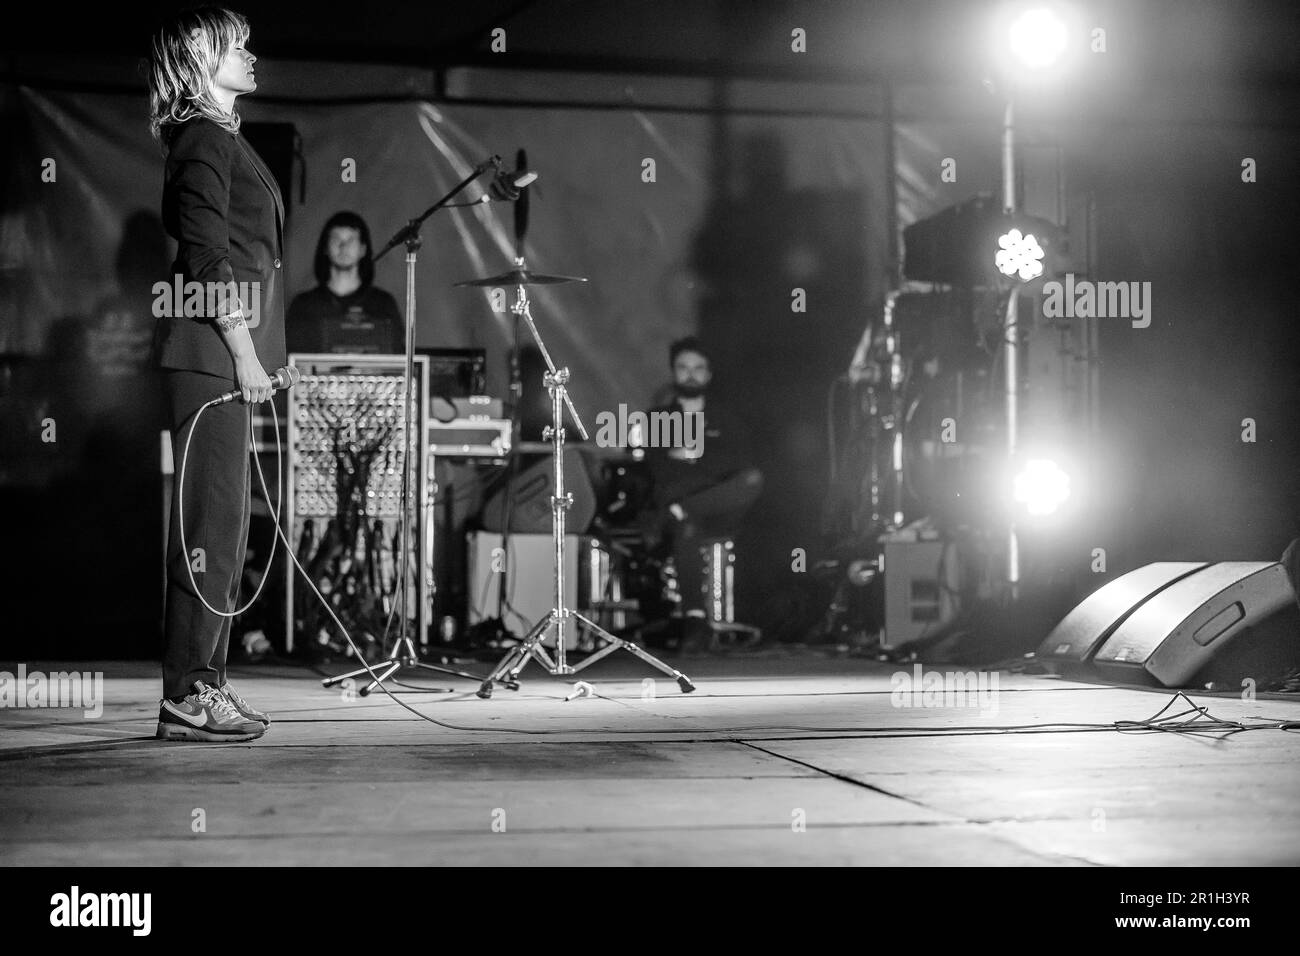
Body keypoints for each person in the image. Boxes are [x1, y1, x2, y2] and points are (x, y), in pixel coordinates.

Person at [148, 6, 282, 741]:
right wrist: (244, 352)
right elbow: (205, 260)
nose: (252, 55)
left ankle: (207, 684)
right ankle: (189, 692)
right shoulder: (202, 138)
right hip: (208, 357)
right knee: (209, 523)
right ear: (201, 55)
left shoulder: (220, 138)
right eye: (239, 47)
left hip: (219, 357)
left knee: (225, 528)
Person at [641, 337, 763, 631]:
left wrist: (691, 459)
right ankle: (695, 619)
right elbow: (658, 468)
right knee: (687, 523)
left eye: (698, 367)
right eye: (683, 367)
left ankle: (681, 510)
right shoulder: (657, 419)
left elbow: (738, 464)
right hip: (680, 501)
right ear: (673, 372)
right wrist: (699, 463)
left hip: (719, 506)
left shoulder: (727, 418)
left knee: (752, 480)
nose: (691, 374)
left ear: (708, 374)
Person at [286, 212, 403, 355]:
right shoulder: (304, 305)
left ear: (363, 249)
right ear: (325, 248)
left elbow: (397, 356)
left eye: (351, 240)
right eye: (336, 239)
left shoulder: (383, 304)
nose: (343, 246)